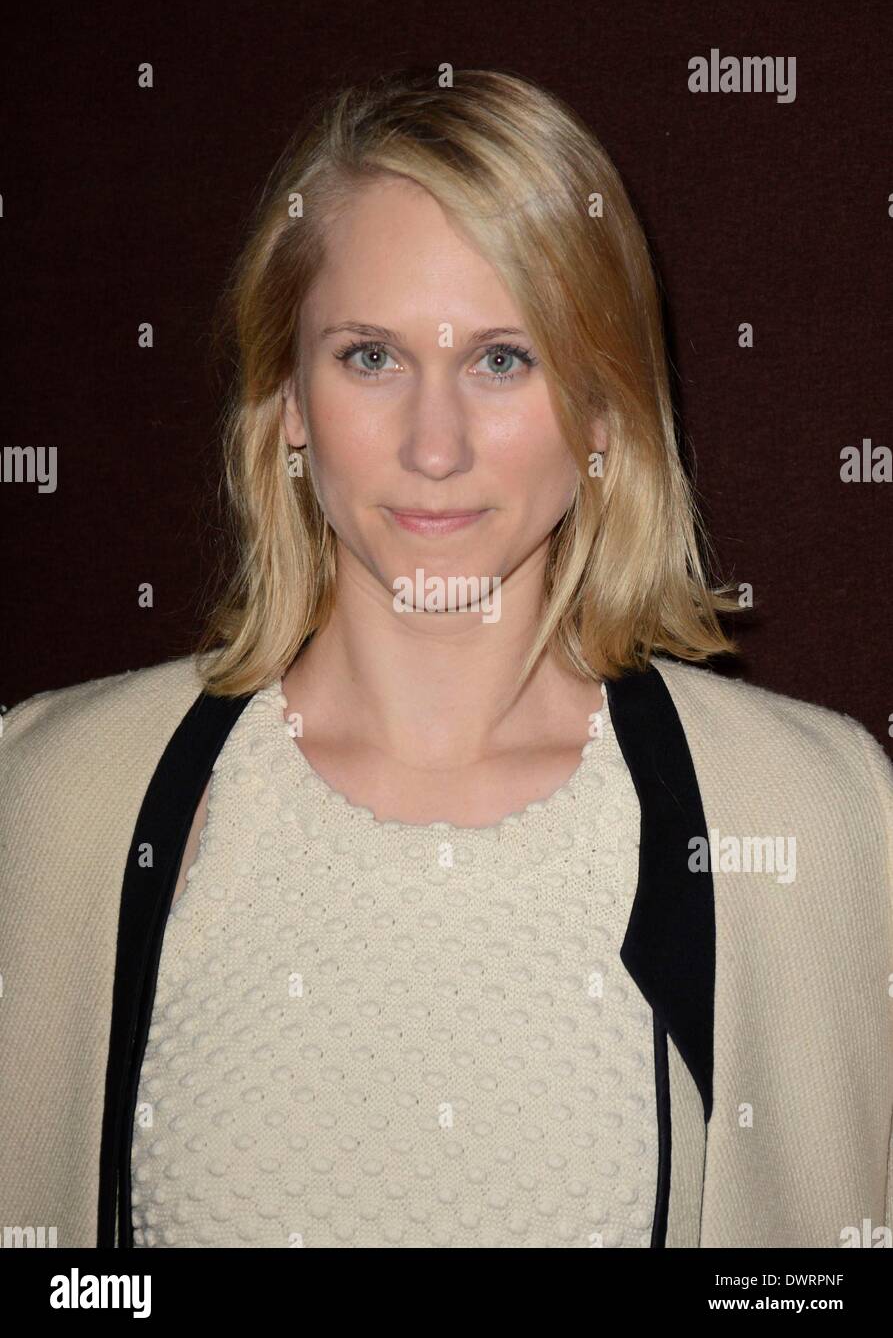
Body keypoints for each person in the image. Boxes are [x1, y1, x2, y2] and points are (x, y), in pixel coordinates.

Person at [1, 68, 891, 1250]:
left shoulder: (820, 818)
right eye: (370, 356)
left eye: (501, 358)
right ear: (287, 400)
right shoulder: (52, 800)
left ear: (603, 411)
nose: (433, 446)